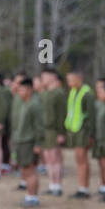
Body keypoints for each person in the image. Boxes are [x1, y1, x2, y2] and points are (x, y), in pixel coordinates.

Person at [64, 69, 95, 197]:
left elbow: (91, 115)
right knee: (78, 159)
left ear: (79, 78)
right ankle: (81, 186)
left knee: (82, 159)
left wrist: (91, 134)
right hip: (75, 130)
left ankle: (84, 188)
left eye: (71, 80)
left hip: (84, 131)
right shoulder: (73, 92)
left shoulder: (86, 94)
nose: (69, 83)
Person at [12, 77, 41, 207]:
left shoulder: (34, 105)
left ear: (29, 90)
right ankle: (29, 195)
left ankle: (33, 197)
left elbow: (38, 126)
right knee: (25, 170)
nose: (19, 93)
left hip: (29, 142)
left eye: (22, 90)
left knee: (30, 170)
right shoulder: (24, 104)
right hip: (21, 141)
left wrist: (38, 144)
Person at [39, 68, 67, 196]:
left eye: (45, 76)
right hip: (44, 129)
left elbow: (62, 114)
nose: (42, 79)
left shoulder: (59, 93)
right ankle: (51, 184)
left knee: (55, 159)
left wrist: (61, 132)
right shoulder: (44, 93)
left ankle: (57, 185)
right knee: (48, 159)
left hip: (54, 130)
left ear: (53, 77)